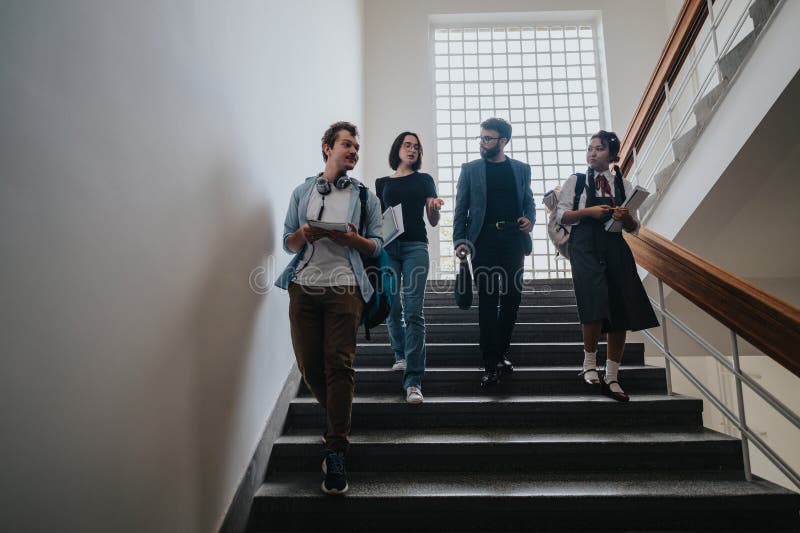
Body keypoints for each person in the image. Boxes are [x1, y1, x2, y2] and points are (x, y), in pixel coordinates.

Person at [274, 121, 384, 494]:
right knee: (309, 365)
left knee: (339, 363)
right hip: (303, 287)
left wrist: (355, 239)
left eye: (356, 148)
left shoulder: (364, 196)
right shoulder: (303, 191)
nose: (354, 152)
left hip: (345, 287)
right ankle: (342, 412)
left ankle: (336, 448)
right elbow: (288, 242)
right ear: (327, 147)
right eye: (347, 145)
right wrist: (304, 233)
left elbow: (379, 245)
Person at [555, 130, 659, 402]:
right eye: (590, 148)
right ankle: (589, 364)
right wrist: (589, 212)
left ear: (612, 155)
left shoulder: (623, 185)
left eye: (599, 149)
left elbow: (635, 229)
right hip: (584, 245)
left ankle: (612, 376)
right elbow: (561, 215)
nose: (592, 153)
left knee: (619, 307)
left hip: (615, 246)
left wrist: (626, 219)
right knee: (592, 300)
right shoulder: (576, 181)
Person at [453, 117, 535, 388]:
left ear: (503, 141)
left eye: (487, 138)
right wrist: (459, 240)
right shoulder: (471, 169)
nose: (482, 142)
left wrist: (529, 219)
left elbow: (528, 201)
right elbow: (461, 209)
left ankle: (499, 352)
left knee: (512, 297)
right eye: (481, 138)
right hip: (483, 240)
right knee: (488, 301)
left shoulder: (521, 169)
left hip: (513, 239)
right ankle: (490, 363)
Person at [375, 132, 443, 405]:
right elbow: (377, 219)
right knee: (392, 305)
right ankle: (400, 354)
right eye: (407, 145)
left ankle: (414, 380)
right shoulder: (382, 183)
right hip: (389, 248)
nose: (412, 150)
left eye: (416, 146)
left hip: (416, 247)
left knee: (414, 311)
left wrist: (435, 207)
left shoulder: (424, 180)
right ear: (398, 150)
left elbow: (434, 220)